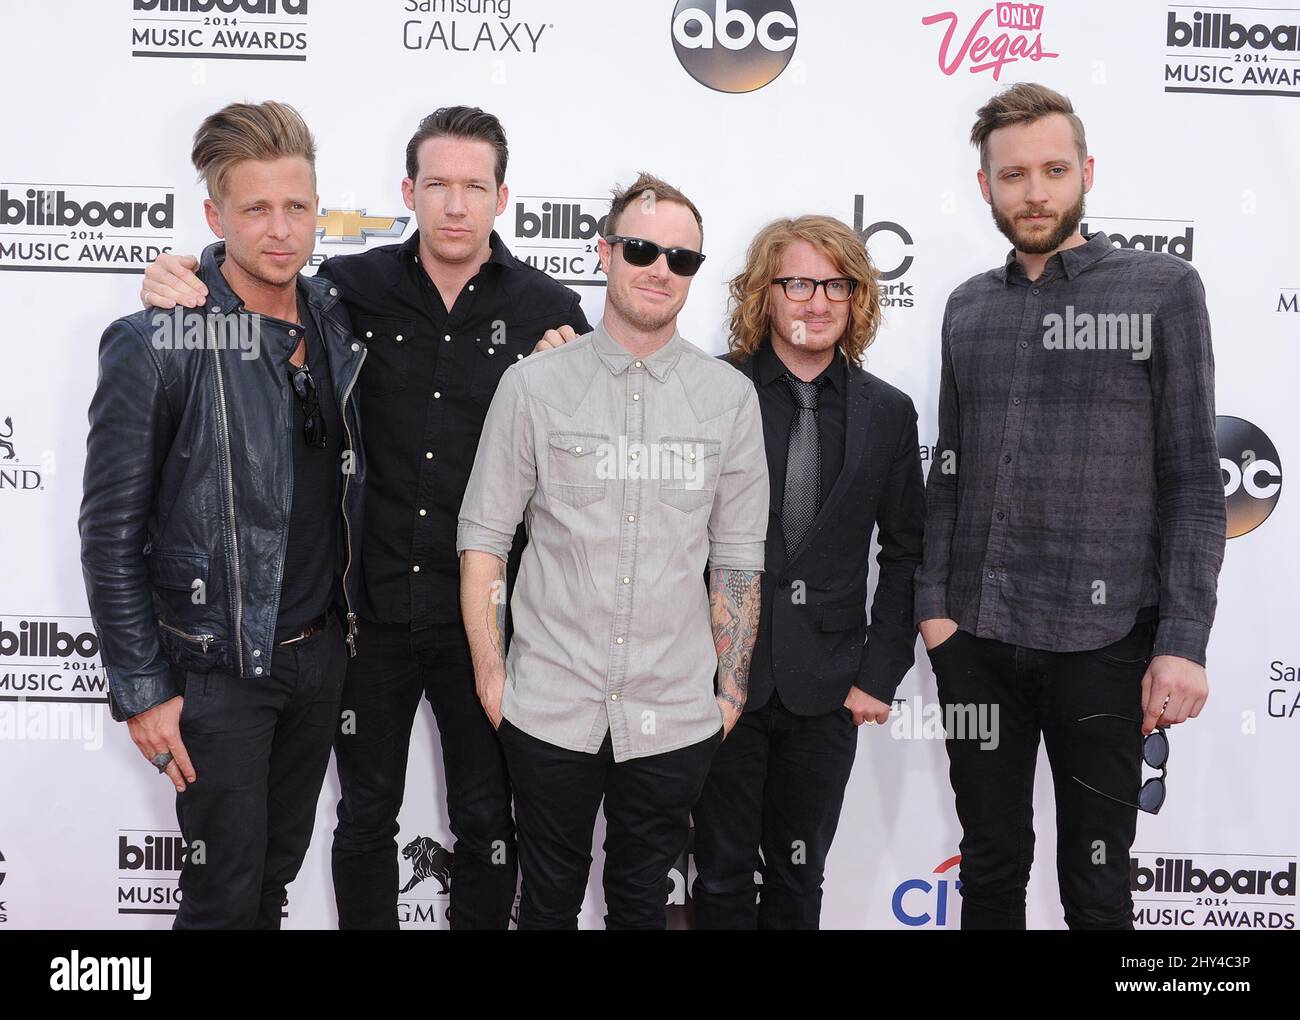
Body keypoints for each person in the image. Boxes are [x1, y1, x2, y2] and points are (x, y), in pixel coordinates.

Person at [139, 106, 590, 930]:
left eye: (475, 187)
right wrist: (180, 276)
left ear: (504, 198)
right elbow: (250, 287)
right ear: (408, 191)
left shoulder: (550, 312)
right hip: (362, 616)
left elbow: (584, 469)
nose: (456, 205)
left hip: (487, 623)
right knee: (364, 817)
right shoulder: (348, 290)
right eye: (439, 185)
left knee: (489, 819)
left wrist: (573, 386)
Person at [916, 83, 1226, 929]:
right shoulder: (967, 307)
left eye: (1054, 169)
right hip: (976, 640)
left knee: (1095, 886)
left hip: (1107, 643)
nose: (1035, 192)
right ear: (985, 185)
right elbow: (949, 470)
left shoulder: (1162, 290)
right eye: (1013, 175)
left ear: (1086, 172)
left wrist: (1183, 643)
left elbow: (1196, 478)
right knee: (987, 869)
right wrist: (937, 616)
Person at [457, 172, 769, 929]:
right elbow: (484, 540)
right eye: (641, 249)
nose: (659, 268)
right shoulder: (532, 386)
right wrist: (495, 678)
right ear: (604, 253)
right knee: (549, 902)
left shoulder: (729, 400)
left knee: (642, 904)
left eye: (682, 259)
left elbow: (737, 556)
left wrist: (728, 691)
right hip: (549, 705)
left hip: (676, 711)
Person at [81, 101, 365, 929]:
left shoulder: (339, 318)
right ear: (214, 214)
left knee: (270, 885)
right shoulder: (157, 341)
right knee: (222, 900)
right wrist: (142, 688)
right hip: (216, 675)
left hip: (318, 663)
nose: (281, 230)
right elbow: (108, 535)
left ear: (319, 208)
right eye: (255, 209)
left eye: (297, 206)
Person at [691, 214, 925, 928]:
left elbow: (907, 550)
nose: (816, 301)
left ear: (856, 299)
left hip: (827, 690)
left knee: (799, 880)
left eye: (835, 285)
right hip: (717, 678)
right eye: (797, 282)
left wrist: (877, 675)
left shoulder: (888, 412)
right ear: (765, 293)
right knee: (720, 878)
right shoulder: (712, 389)